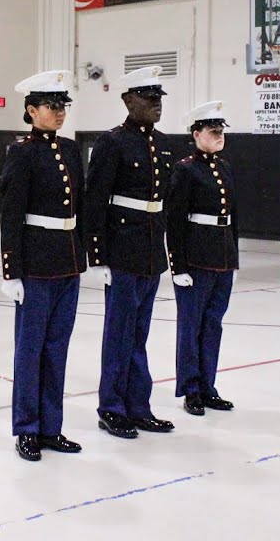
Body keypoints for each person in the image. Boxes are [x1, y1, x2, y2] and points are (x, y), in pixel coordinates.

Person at [84, 66, 176, 439]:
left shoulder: (164, 143)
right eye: (148, 98)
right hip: (122, 250)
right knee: (119, 333)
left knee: (139, 333)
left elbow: (163, 202)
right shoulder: (113, 143)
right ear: (128, 100)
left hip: (151, 249)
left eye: (158, 99)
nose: (156, 105)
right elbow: (95, 200)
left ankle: (139, 406)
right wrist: (99, 255)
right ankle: (112, 407)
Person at [0, 70, 86, 462]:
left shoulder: (69, 149)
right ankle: (27, 428)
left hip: (67, 259)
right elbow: (12, 213)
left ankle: (52, 427)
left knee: (58, 348)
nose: (59, 112)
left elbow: (79, 208)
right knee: (30, 349)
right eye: (52, 106)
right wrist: (11, 271)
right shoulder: (22, 152)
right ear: (31, 110)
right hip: (35, 261)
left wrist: (86, 258)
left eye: (62, 106)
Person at [165, 101, 239, 418]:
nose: (219, 135)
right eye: (213, 131)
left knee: (213, 325)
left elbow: (234, 217)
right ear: (197, 134)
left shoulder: (224, 168)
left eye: (221, 130)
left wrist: (233, 258)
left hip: (222, 257)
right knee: (191, 326)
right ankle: (191, 388)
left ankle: (208, 386)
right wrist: (177, 266)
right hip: (196, 259)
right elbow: (175, 220)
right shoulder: (185, 169)